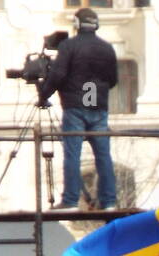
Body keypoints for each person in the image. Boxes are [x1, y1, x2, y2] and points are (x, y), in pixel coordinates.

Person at [38, 8, 118, 210]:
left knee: (72, 155)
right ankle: (109, 201)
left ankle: (71, 200)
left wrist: (43, 93)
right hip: (98, 107)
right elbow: (113, 80)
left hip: (75, 107)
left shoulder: (69, 46)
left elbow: (58, 75)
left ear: (76, 24)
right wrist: (94, 92)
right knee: (103, 155)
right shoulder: (107, 48)